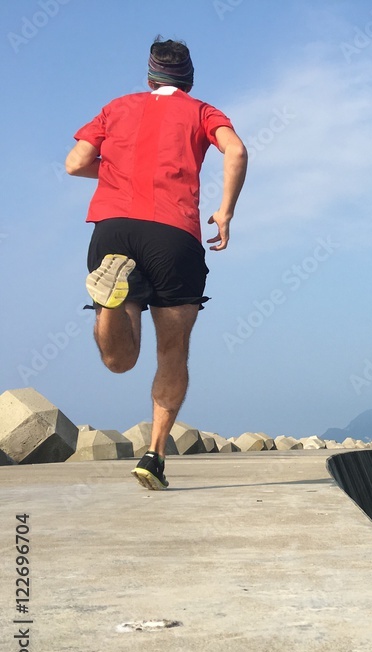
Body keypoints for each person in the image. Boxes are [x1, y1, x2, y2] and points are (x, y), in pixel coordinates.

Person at [66, 36, 248, 490]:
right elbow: (238, 151)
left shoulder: (117, 107)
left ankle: (111, 302)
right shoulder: (204, 111)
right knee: (172, 351)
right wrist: (225, 212)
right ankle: (155, 455)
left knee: (119, 360)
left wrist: (112, 172)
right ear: (187, 80)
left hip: (113, 230)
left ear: (149, 77)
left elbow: (75, 163)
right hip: (173, 235)